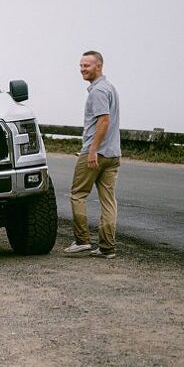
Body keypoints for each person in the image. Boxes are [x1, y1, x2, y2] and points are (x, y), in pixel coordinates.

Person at [64, 50, 121, 259]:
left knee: (78, 194)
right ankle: (107, 247)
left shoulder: (98, 91)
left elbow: (103, 120)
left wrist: (93, 150)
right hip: (113, 153)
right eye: (81, 65)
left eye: (86, 65)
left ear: (99, 66)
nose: (82, 69)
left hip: (96, 152)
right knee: (108, 201)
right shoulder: (110, 88)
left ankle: (82, 241)